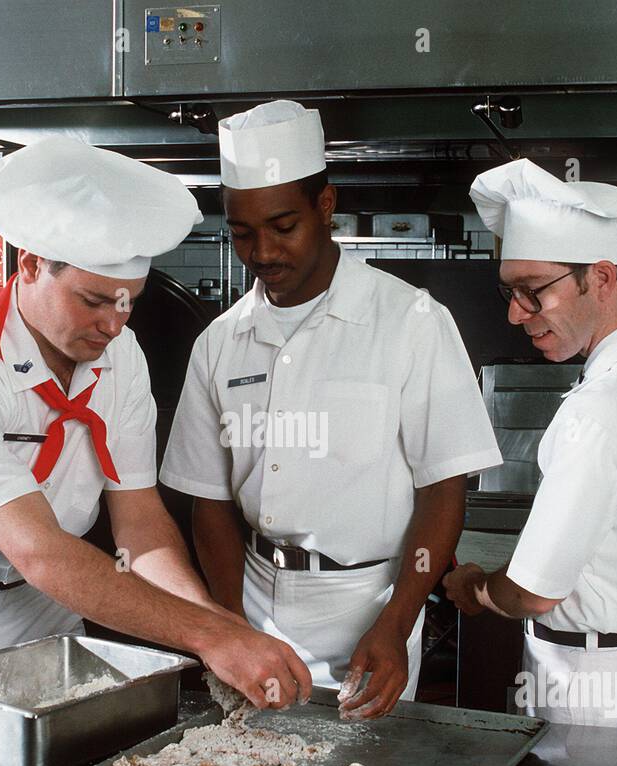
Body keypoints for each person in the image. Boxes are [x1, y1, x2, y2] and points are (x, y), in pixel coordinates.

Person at [0, 134, 313, 710]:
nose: (114, 325)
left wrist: (217, 630)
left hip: (49, 613)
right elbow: (39, 550)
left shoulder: (120, 357)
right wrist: (210, 635)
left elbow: (140, 523)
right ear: (29, 265)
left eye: (129, 302)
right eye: (94, 301)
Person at [160, 101, 502, 719]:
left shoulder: (410, 322)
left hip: (371, 602)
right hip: (257, 590)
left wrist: (399, 621)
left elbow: (444, 487)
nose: (262, 252)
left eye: (283, 226)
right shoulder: (220, 341)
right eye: (242, 233)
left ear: (324, 206)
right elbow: (207, 499)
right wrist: (233, 625)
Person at [444, 158, 617, 731]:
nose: (514, 314)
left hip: (582, 683)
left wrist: (473, 587)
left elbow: (533, 593)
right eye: (509, 292)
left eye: (533, 293)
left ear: (601, 277)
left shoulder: (600, 408)